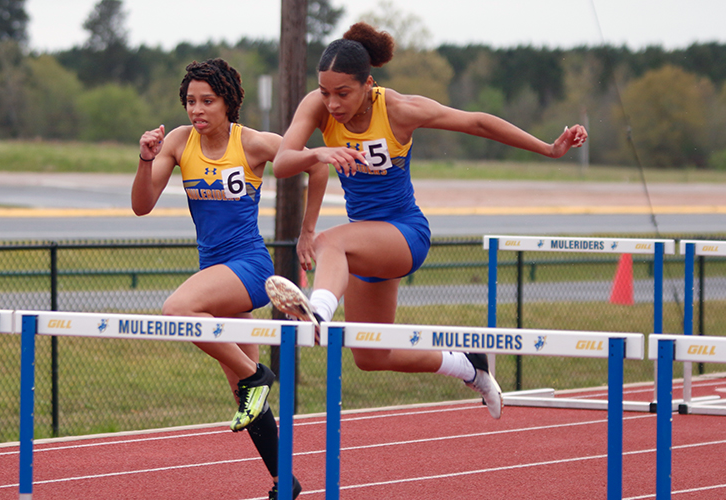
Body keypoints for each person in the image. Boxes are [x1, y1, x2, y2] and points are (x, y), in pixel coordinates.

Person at [264, 23, 588, 420]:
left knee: (330, 242)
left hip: (405, 235)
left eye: (343, 93)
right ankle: (469, 366)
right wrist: (320, 153)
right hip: (366, 246)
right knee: (371, 355)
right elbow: (281, 163)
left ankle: (317, 316)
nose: (332, 103)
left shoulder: (399, 109)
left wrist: (548, 149)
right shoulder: (317, 106)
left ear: (368, 84)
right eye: (325, 92)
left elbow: (477, 122)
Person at [133, 58, 324, 499]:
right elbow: (142, 205)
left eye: (207, 101)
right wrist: (145, 159)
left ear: (228, 102)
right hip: (215, 273)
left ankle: (258, 374)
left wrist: (307, 232)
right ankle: (286, 482)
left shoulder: (254, 143)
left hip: (251, 267)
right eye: (189, 101)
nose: (196, 110)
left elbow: (316, 165)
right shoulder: (180, 143)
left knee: (176, 311)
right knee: (246, 397)